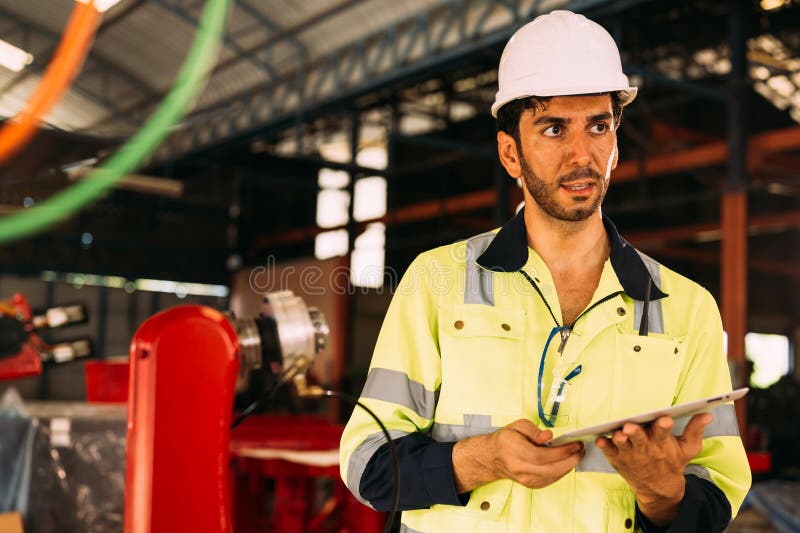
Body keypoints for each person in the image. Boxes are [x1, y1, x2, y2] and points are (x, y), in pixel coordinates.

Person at [339, 10, 751, 532]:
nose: (582, 155)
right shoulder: (436, 282)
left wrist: (663, 491)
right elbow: (367, 465)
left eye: (598, 126)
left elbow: (719, 494)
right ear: (510, 153)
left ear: (617, 145)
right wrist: (482, 460)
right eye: (554, 128)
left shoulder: (685, 308)